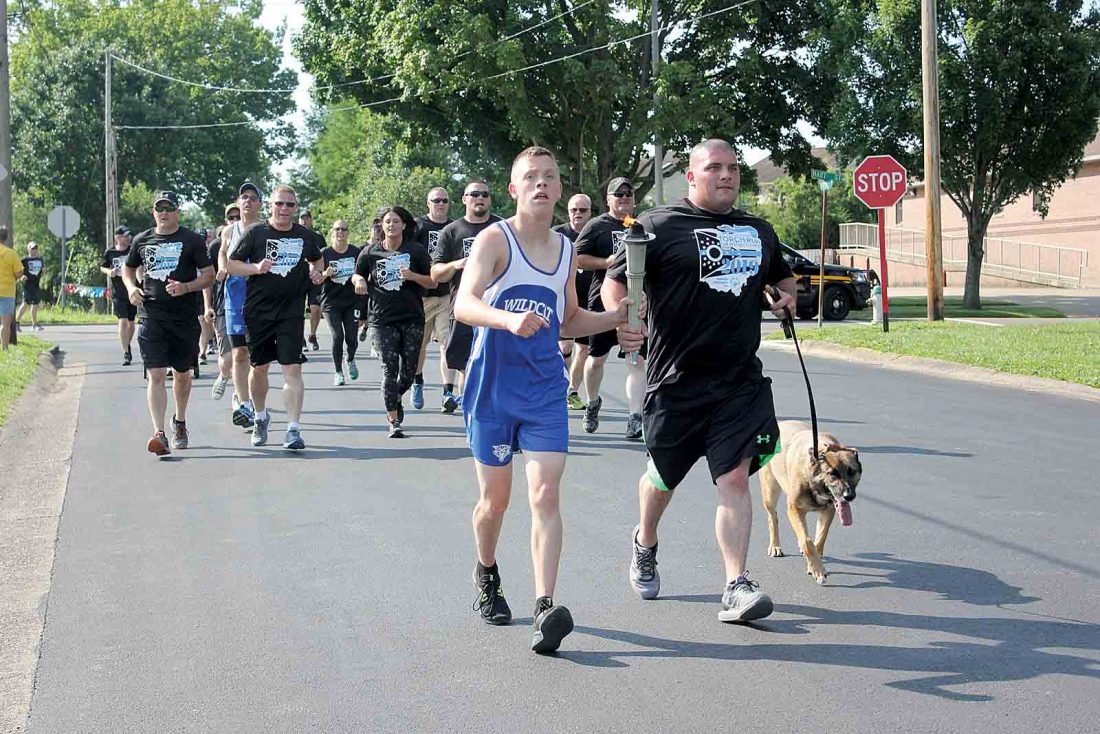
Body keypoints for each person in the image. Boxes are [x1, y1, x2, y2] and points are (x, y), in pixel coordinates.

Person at [605, 139, 796, 623]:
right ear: (691, 176)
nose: (727, 175)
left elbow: (784, 279)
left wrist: (784, 299)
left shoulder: (758, 230)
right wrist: (622, 316)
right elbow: (614, 282)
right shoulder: (657, 227)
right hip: (675, 380)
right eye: (715, 168)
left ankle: (736, 585)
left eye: (733, 168)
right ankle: (644, 539)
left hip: (737, 381)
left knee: (734, 478)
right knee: (663, 479)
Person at [456, 146, 635, 653]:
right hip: (491, 390)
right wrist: (507, 318)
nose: (540, 184)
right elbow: (465, 303)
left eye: (549, 178)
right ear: (514, 190)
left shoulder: (565, 252)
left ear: (559, 190)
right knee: (495, 502)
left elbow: (570, 320)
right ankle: (487, 572)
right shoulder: (495, 239)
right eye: (529, 177)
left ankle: (544, 606)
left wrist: (617, 321)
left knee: (545, 494)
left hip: (544, 392)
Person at [227, 185, 326, 451]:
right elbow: (230, 264)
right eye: (280, 204)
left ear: (295, 208)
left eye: (290, 205)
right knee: (259, 368)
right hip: (258, 311)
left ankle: (293, 429)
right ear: (271, 205)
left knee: (292, 368)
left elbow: (318, 261)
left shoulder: (305, 236)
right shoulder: (256, 233)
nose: (284, 210)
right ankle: (260, 416)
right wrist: (255, 268)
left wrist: (316, 273)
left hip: (292, 312)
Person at [122, 191, 214, 456]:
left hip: (184, 318)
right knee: (157, 374)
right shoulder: (142, 240)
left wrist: (186, 287)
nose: (164, 213)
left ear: (177, 212)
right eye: (159, 208)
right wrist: (131, 287)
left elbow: (208, 275)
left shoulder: (191, 240)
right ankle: (159, 433)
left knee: (183, 375)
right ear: (154, 212)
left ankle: (180, 421)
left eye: (169, 208)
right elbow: (128, 269)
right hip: (152, 315)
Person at [352, 205, 433, 438]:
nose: (391, 225)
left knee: (408, 371)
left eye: (396, 221)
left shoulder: (416, 251)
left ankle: (397, 396)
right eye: (388, 222)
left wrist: (413, 276)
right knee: (389, 369)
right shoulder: (370, 252)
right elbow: (357, 273)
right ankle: (393, 419)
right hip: (381, 319)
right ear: (382, 226)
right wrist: (359, 281)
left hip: (412, 318)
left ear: (404, 225)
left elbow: (432, 282)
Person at [576, 177, 645, 439]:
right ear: (608, 199)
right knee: (596, 360)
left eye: (629, 194)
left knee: (636, 359)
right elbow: (577, 257)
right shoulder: (597, 225)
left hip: (636, 301)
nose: (625, 198)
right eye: (619, 194)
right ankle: (592, 402)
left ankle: (635, 417)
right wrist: (606, 262)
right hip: (602, 301)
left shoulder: (641, 225)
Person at [430, 180, 501, 414]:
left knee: (500, 367)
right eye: (474, 194)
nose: (479, 198)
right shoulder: (452, 231)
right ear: (464, 199)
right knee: (467, 367)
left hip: (499, 307)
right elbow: (435, 274)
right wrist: (456, 264)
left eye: (484, 194)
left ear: (489, 199)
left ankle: (500, 419)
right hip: (465, 308)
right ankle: (473, 418)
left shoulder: (502, 228)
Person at [220, 183, 263, 429]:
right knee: (239, 353)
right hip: (234, 297)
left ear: (259, 204)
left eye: (253, 198)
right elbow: (222, 253)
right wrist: (223, 267)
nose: (247, 201)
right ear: (238, 202)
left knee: (257, 358)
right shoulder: (229, 231)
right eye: (243, 197)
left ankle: (255, 403)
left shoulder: (266, 230)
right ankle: (244, 403)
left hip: (259, 298)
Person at [411, 186, 454, 410]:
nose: (440, 204)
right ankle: (417, 381)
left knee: (447, 343)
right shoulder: (418, 226)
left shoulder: (454, 227)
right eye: (436, 200)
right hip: (423, 296)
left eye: (444, 200)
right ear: (428, 203)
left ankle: (448, 392)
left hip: (447, 295)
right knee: (421, 344)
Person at [553, 194, 593, 410]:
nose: (578, 214)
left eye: (583, 210)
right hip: (563, 298)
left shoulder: (595, 231)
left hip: (589, 297)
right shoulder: (558, 234)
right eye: (574, 210)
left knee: (584, 348)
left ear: (590, 212)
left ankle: (572, 391)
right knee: (564, 345)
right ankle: (562, 382)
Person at [320, 219, 362, 385]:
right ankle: (338, 372)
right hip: (331, 302)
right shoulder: (325, 253)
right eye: (337, 229)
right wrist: (325, 274)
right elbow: (314, 277)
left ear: (348, 233)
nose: (340, 232)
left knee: (352, 338)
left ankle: (350, 359)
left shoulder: (355, 252)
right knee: (338, 336)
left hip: (351, 301)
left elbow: (362, 273)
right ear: (332, 232)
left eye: (344, 229)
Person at [206, 204, 240, 401]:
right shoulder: (216, 246)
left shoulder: (254, 239)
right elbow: (207, 278)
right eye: (231, 218)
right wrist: (207, 305)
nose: (234, 221)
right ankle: (224, 374)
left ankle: (240, 397)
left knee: (244, 356)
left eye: (238, 217)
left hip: (248, 305)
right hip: (222, 305)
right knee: (227, 358)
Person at [101, 226, 136, 364]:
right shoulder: (110, 252)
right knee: (123, 320)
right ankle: (126, 352)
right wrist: (109, 272)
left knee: (132, 323)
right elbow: (102, 266)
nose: (127, 238)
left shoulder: (132, 250)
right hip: (118, 291)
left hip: (132, 290)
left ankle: (127, 343)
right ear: (117, 237)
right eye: (124, 236)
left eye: (128, 236)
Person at [299, 208, 322, 351]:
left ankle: (312, 335)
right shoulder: (293, 235)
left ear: (311, 220)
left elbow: (323, 257)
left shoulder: (317, 237)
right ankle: (300, 338)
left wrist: (320, 272)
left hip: (314, 277)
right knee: (298, 310)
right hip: (299, 277)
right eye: (302, 217)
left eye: (307, 217)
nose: (304, 219)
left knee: (315, 308)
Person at [0, 226, 23, 351]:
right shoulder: (11, 253)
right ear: (6, 238)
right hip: (7, 292)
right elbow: (19, 273)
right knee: (5, 324)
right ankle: (4, 348)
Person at [16, 242, 44, 332]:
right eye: (32, 248)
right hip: (27, 285)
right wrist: (21, 277)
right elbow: (18, 271)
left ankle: (34, 324)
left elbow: (42, 271)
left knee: (35, 304)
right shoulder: (24, 260)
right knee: (25, 304)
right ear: (28, 249)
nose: (34, 250)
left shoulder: (40, 260)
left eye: (35, 248)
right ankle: (16, 323)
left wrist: (43, 271)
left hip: (36, 285)